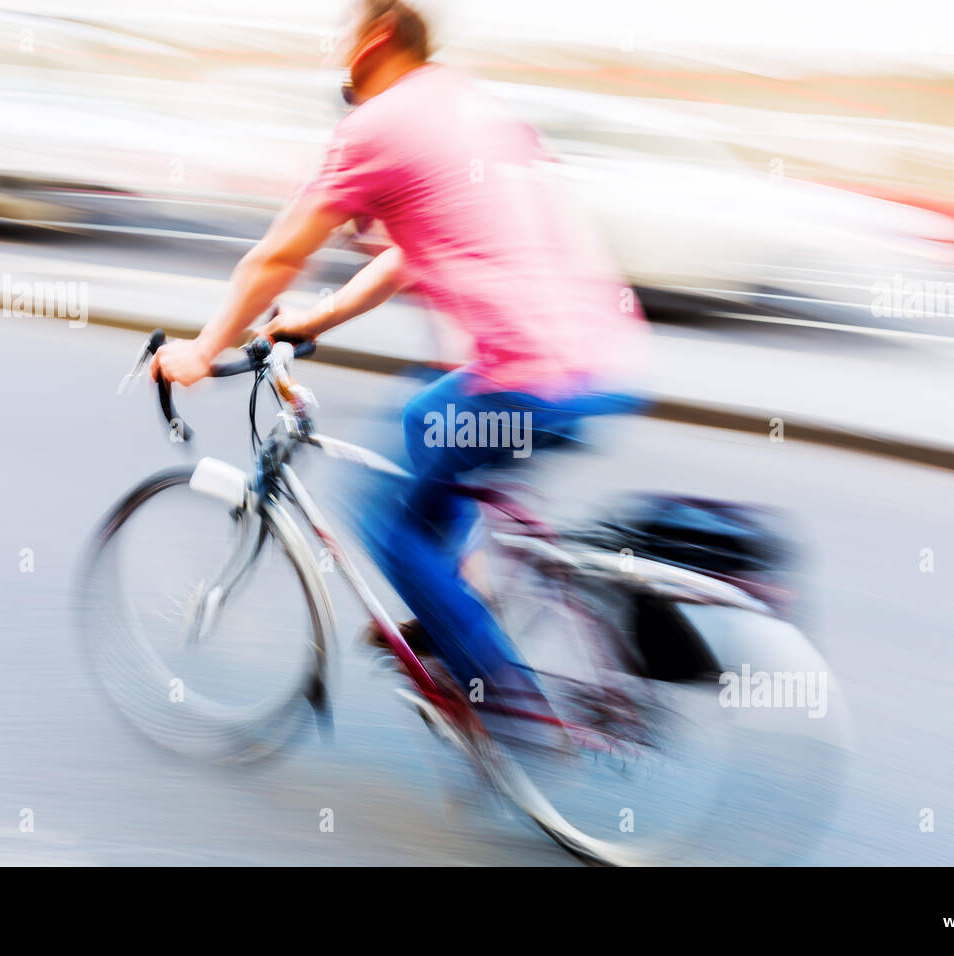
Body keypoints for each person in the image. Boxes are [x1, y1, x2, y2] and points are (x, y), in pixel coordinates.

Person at [152, 0, 647, 721]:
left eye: (346, 35)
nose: (339, 54)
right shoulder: (466, 107)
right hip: (611, 360)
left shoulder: (379, 124)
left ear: (379, 37)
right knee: (427, 414)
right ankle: (453, 609)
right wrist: (319, 317)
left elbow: (281, 254)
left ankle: (508, 704)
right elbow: (404, 256)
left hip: (534, 378)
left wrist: (202, 349)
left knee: (388, 523)